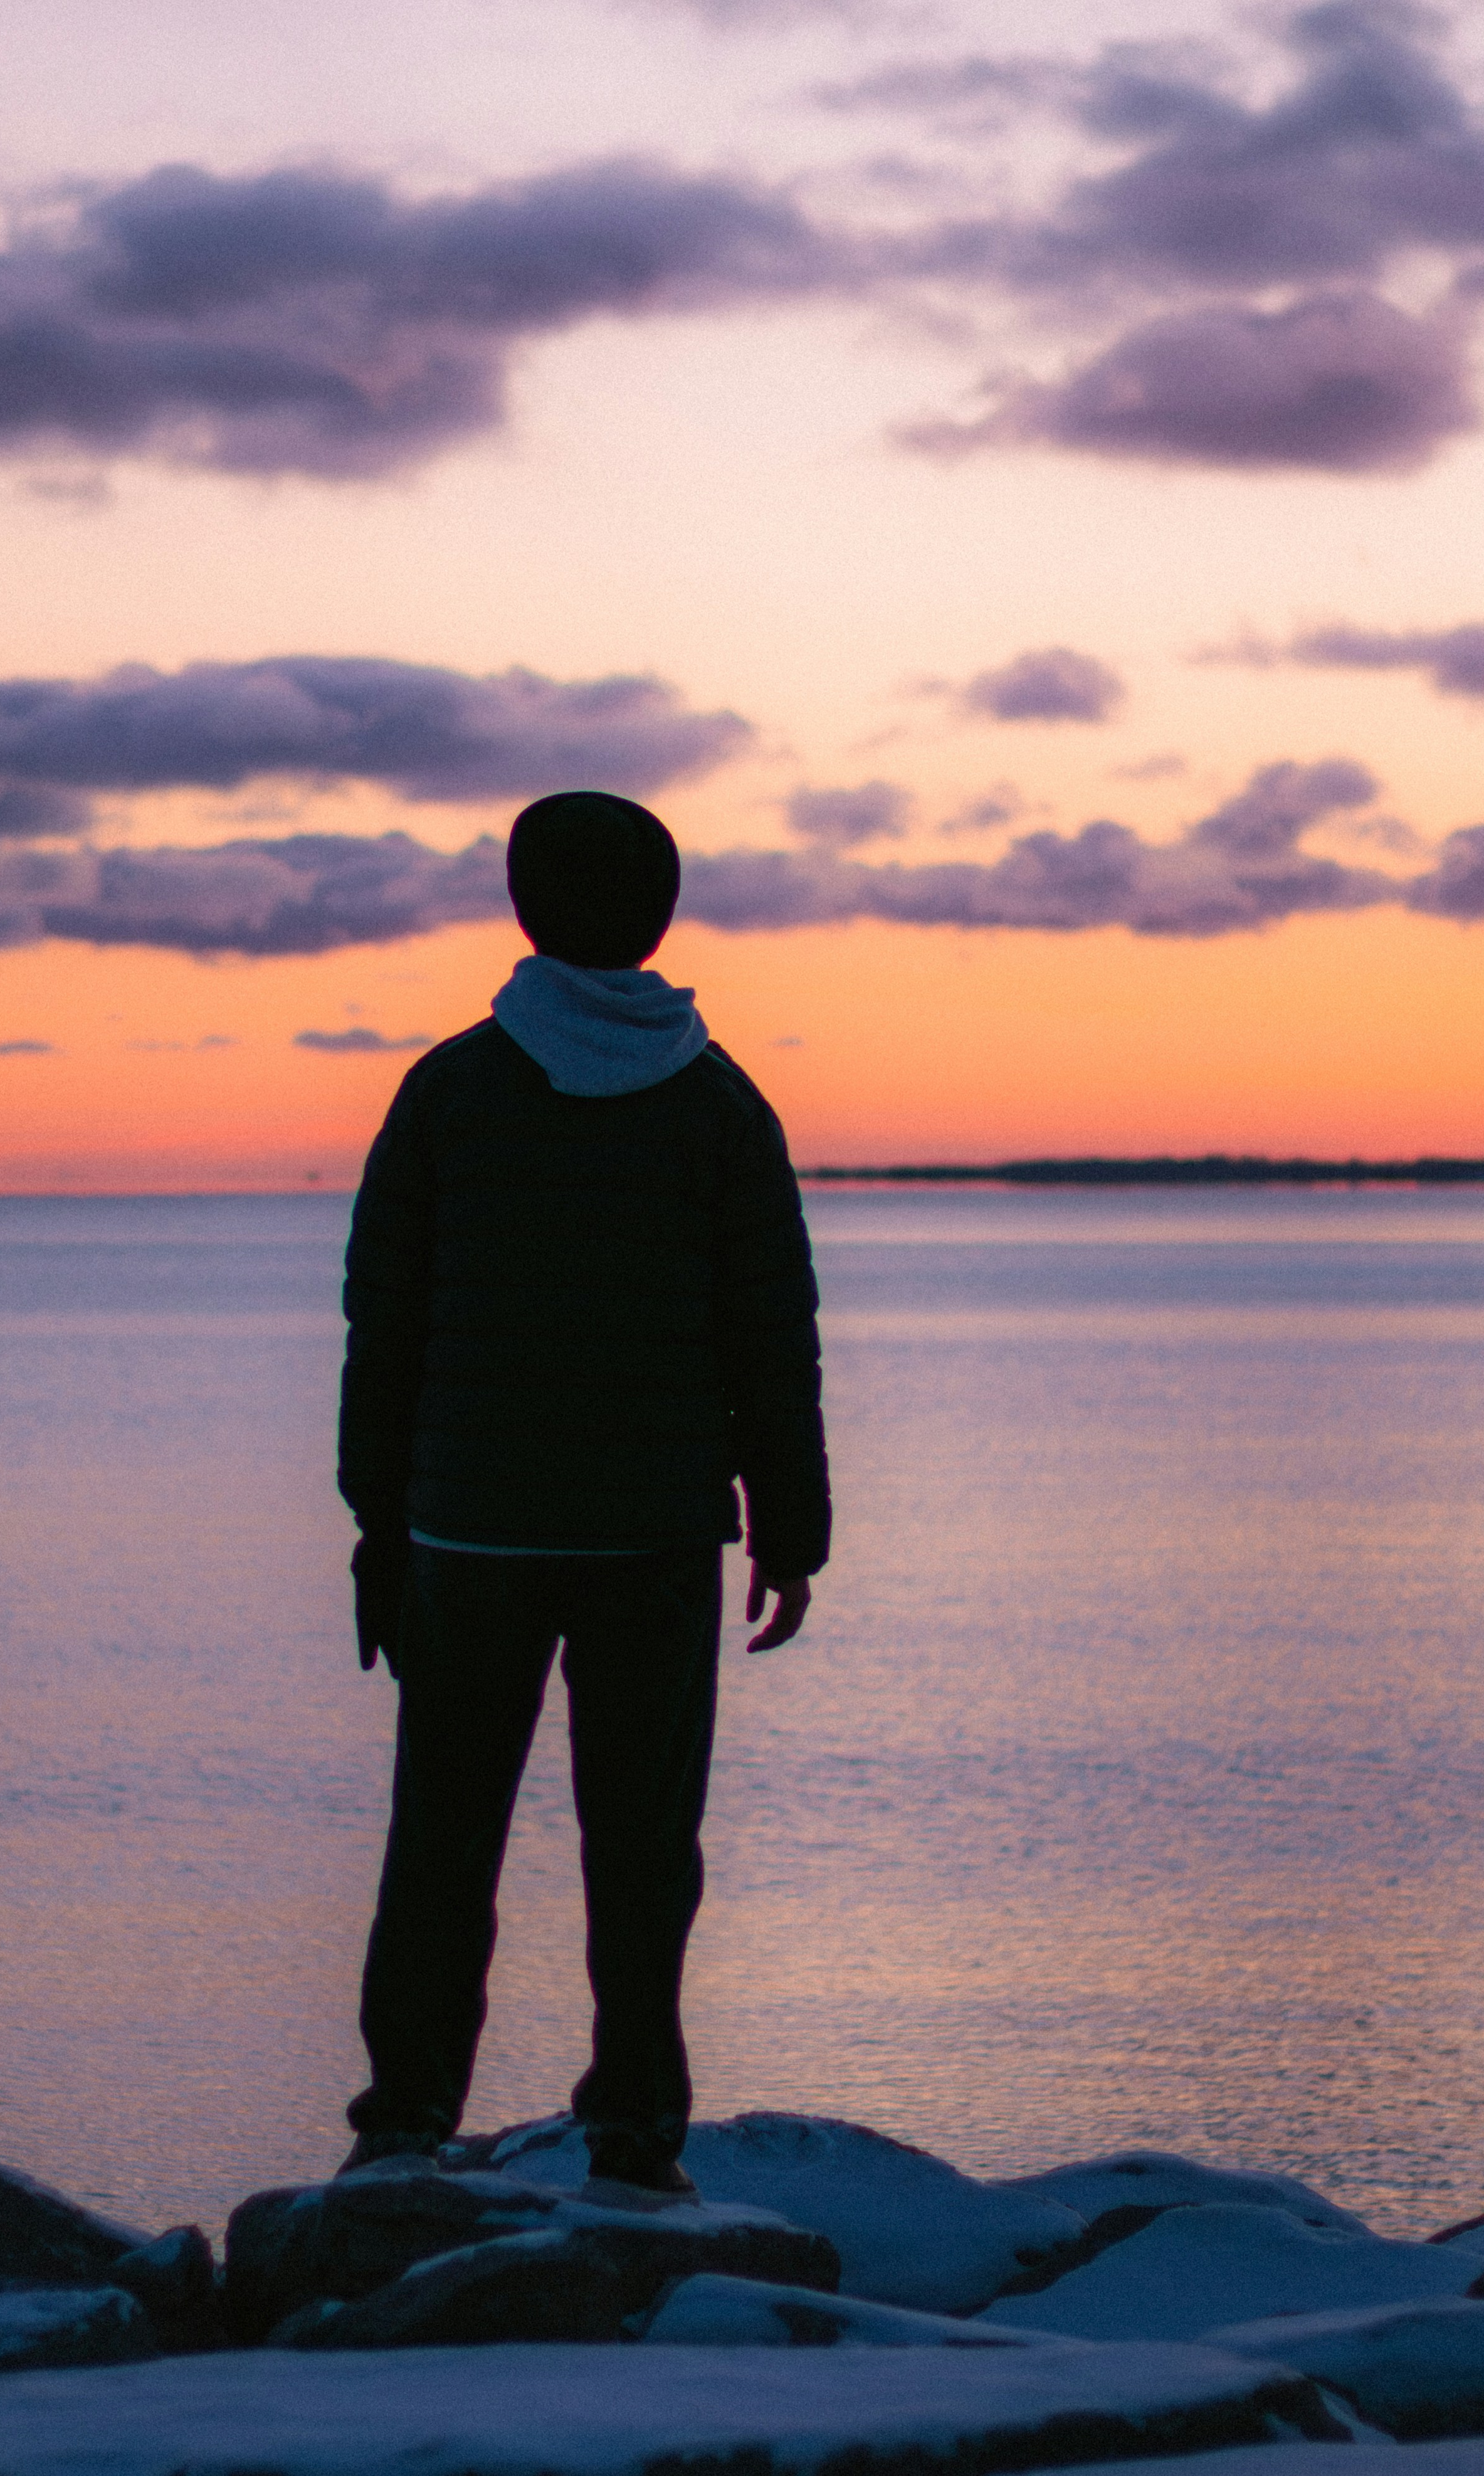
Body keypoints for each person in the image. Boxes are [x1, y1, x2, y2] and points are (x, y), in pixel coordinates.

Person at [332, 788, 831, 2201]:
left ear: (523, 907)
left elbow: (386, 1321)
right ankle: (633, 2124)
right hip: (652, 1534)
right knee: (642, 1846)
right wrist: (790, 1528)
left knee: (443, 1834)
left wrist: (378, 1519)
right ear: (658, 914)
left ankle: (405, 2123)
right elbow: (769, 1333)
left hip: (468, 1529)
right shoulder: (720, 1103)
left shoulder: (449, 1089)